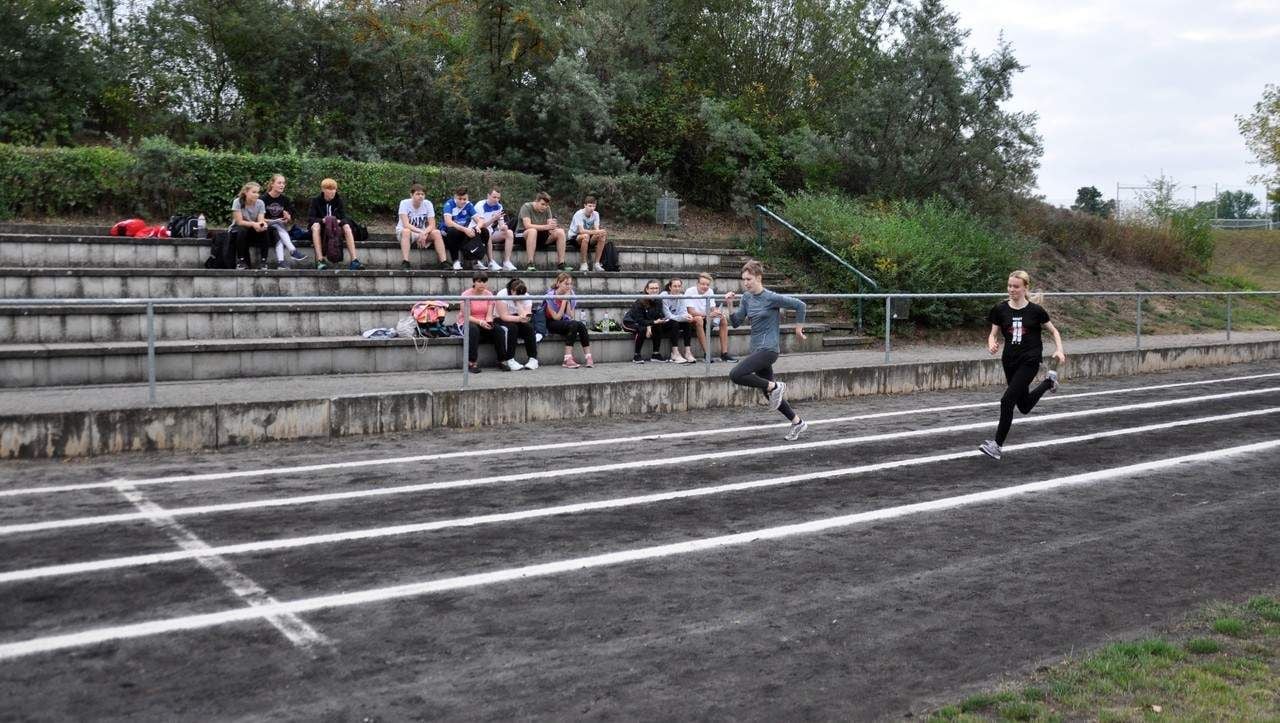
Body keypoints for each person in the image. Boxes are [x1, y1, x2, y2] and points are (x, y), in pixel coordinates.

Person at [979, 270, 1066, 460]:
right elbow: (993, 333)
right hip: (1009, 360)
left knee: (1007, 401)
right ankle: (1049, 383)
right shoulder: (1000, 309)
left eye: (1016, 287)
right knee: (1024, 406)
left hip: (1030, 360)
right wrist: (991, 343)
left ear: (1025, 288)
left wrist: (1059, 349)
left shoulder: (1036, 311)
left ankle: (997, 446)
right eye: (1009, 286)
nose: (1012, 290)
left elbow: (1054, 331)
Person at [723, 260, 809, 440]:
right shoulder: (746, 298)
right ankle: (797, 422)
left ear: (759, 278)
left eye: (749, 279)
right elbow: (737, 323)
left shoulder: (771, 297)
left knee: (736, 374)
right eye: (743, 279)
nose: (745, 283)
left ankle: (776, 386)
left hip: (768, 349)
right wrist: (730, 304)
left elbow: (800, 305)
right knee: (769, 394)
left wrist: (798, 328)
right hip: (756, 350)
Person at [307, 178, 364, 270]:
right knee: (315, 226)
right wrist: (323, 221)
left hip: (335, 229)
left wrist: (339, 221)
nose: (332, 192)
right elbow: (310, 219)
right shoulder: (315, 201)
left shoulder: (338, 201)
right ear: (323, 190)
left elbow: (345, 218)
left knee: (347, 226)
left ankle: (354, 260)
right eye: (329, 189)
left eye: (334, 189)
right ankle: (320, 260)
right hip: (321, 229)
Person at [684, 272, 737, 362]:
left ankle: (724, 353)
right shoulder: (690, 291)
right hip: (693, 319)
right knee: (699, 319)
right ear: (697, 284)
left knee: (723, 318)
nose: (705, 286)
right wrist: (708, 315)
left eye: (707, 284)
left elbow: (712, 308)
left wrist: (716, 312)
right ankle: (707, 354)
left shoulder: (710, 291)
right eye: (703, 284)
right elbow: (691, 312)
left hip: (706, 317)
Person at [544, 272, 593, 368]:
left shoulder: (572, 295)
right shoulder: (550, 296)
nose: (569, 286)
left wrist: (568, 301)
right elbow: (556, 317)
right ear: (558, 283)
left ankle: (588, 357)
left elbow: (570, 316)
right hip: (550, 323)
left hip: (563, 321)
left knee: (581, 325)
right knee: (573, 325)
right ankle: (567, 359)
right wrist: (564, 301)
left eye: (570, 284)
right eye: (566, 284)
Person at [458, 271, 503, 374]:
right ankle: (472, 362)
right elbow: (466, 316)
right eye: (479, 281)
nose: (482, 284)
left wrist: (488, 322)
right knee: (473, 329)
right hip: (469, 321)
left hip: (483, 321)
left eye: (484, 281)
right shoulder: (466, 294)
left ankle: (502, 360)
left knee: (498, 330)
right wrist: (480, 322)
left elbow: (489, 314)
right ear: (474, 282)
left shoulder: (489, 294)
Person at [396, 183, 447, 270]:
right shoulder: (404, 203)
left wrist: (424, 233)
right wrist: (421, 232)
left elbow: (432, 225)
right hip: (406, 232)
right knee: (406, 231)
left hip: (422, 232)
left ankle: (444, 262)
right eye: (418, 194)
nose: (420, 196)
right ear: (411, 195)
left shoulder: (428, 204)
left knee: (437, 232)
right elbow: (406, 225)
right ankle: (405, 262)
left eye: (422, 194)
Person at [262, 174, 308, 269]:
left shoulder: (285, 200)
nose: (282, 185)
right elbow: (259, 219)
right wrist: (274, 221)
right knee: (278, 224)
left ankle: (281, 262)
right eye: (279, 183)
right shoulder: (263, 199)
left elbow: (288, 220)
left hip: (278, 231)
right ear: (272, 184)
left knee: (278, 228)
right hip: (265, 229)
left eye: (283, 183)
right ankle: (293, 251)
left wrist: (288, 218)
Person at [516, 192, 569, 272]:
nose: (544, 207)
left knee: (560, 232)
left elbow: (549, 227)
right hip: (523, 235)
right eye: (542, 204)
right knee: (532, 231)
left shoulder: (547, 209)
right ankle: (530, 263)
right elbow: (527, 225)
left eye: (546, 205)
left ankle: (561, 263)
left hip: (540, 236)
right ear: (536, 201)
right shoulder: (526, 207)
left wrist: (553, 226)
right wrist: (546, 227)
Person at [494, 278, 540, 370]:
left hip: (517, 317)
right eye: (518, 293)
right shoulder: (502, 294)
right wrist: (520, 318)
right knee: (512, 327)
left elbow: (526, 316)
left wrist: (518, 302)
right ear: (512, 290)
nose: (521, 296)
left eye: (522, 294)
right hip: (500, 318)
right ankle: (510, 359)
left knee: (528, 327)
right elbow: (504, 316)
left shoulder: (526, 296)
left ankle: (533, 359)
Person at [440, 186, 487, 271]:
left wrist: (478, 227)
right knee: (452, 231)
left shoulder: (469, 205)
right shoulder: (449, 204)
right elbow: (448, 222)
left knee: (484, 231)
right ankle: (455, 261)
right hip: (448, 233)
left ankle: (476, 260)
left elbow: (480, 221)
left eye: (464, 199)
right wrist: (466, 230)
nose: (462, 201)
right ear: (455, 197)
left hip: (463, 232)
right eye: (460, 199)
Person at [623, 279, 667, 363]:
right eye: (652, 288)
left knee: (659, 326)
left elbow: (658, 315)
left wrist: (654, 323)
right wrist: (650, 324)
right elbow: (639, 320)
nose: (654, 290)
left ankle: (655, 354)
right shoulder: (640, 301)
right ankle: (636, 355)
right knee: (642, 329)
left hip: (646, 322)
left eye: (656, 288)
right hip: (630, 322)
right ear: (647, 290)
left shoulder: (659, 300)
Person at [230, 181, 271, 270]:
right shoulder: (237, 202)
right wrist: (253, 224)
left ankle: (264, 261)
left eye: (258, 192)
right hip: (239, 230)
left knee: (265, 230)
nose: (257, 195)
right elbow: (239, 222)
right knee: (242, 230)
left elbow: (260, 220)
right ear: (246, 192)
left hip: (253, 230)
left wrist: (262, 225)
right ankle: (241, 261)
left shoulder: (260, 203)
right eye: (254, 192)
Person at [474, 188, 516, 271]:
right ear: (488, 196)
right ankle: (491, 262)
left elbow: (501, 224)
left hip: (490, 232)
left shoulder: (499, 206)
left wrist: (504, 227)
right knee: (487, 232)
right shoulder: (480, 205)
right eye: (494, 197)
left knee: (509, 233)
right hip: (478, 233)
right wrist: (493, 219)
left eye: (498, 198)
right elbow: (482, 225)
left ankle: (507, 262)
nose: (496, 200)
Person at [568, 195, 608, 272]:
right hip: (574, 237)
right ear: (585, 205)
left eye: (594, 206)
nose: (592, 208)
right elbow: (581, 231)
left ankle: (597, 264)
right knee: (585, 236)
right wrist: (596, 232)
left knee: (602, 236)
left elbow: (596, 229)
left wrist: (600, 232)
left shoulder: (596, 214)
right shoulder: (579, 214)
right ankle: (583, 264)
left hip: (587, 236)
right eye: (590, 206)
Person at [660, 278, 696, 364]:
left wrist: (688, 317)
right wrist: (682, 317)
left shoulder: (681, 296)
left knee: (687, 323)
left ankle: (687, 352)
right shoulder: (664, 296)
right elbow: (667, 316)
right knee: (674, 323)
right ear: (670, 287)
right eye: (675, 286)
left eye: (679, 286)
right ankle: (675, 353)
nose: (677, 288)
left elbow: (683, 312)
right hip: (663, 322)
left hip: (675, 320)